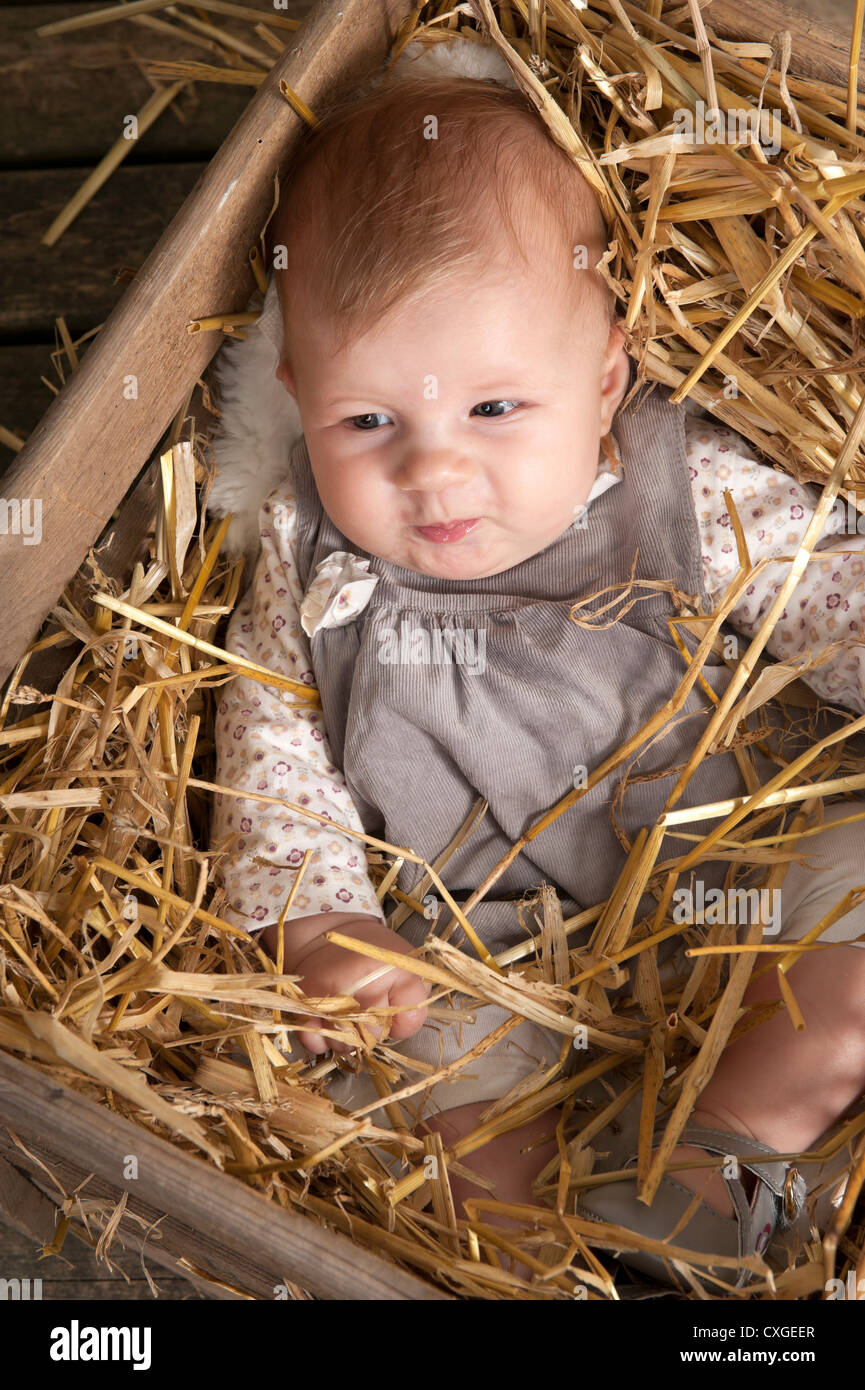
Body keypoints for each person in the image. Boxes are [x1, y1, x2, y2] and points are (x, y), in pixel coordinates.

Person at [208, 53, 865, 1289]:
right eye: (367, 422)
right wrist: (323, 922)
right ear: (297, 400)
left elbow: (819, 590)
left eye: (496, 409)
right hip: (484, 954)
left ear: (603, 379)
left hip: (736, 886)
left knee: (852, 907)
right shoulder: (313, 563)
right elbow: (270, 753)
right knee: (439, 1097)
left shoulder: (674, 486)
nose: (434, 472)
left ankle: (716, 1165)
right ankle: (551, 1273)